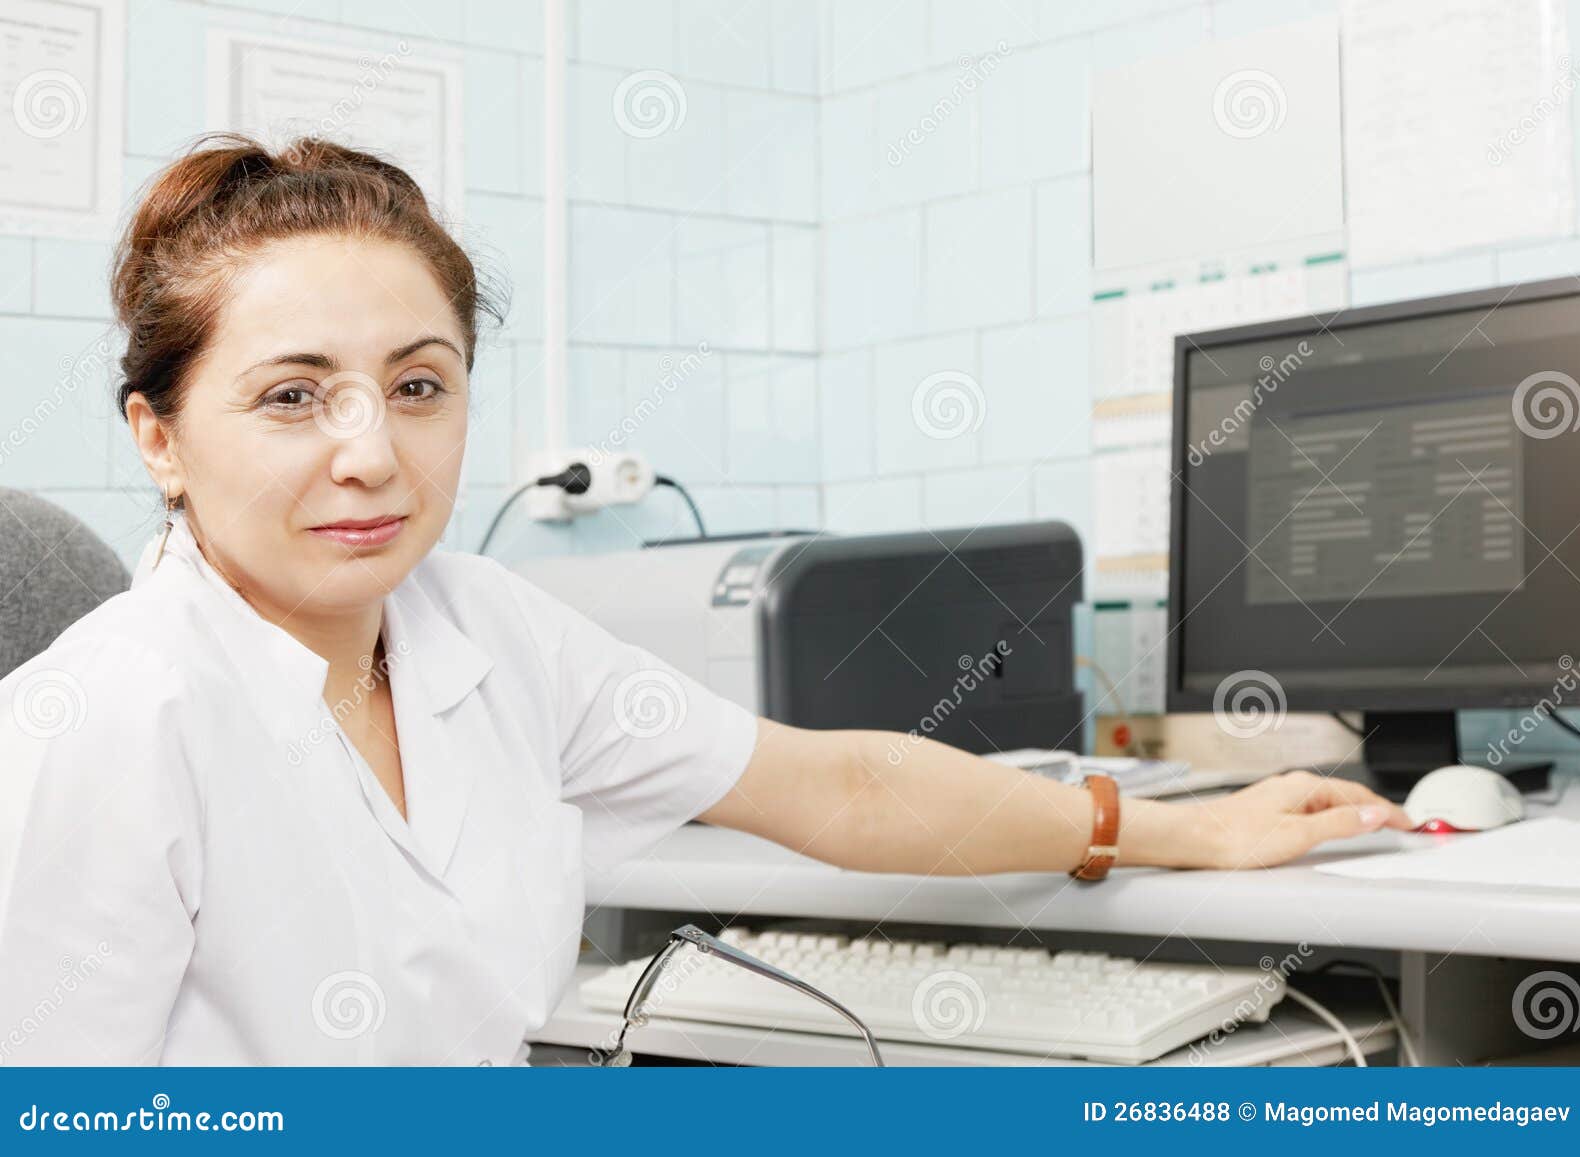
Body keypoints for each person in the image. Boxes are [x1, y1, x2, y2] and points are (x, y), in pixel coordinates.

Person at [0, 135, 1411, 1066]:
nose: (372, 448)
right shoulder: (104, 720)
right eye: (293, 394)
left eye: (418, 384)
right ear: (161, 436)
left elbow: (837, 788)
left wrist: (1180, 831)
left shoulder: (484, 628)